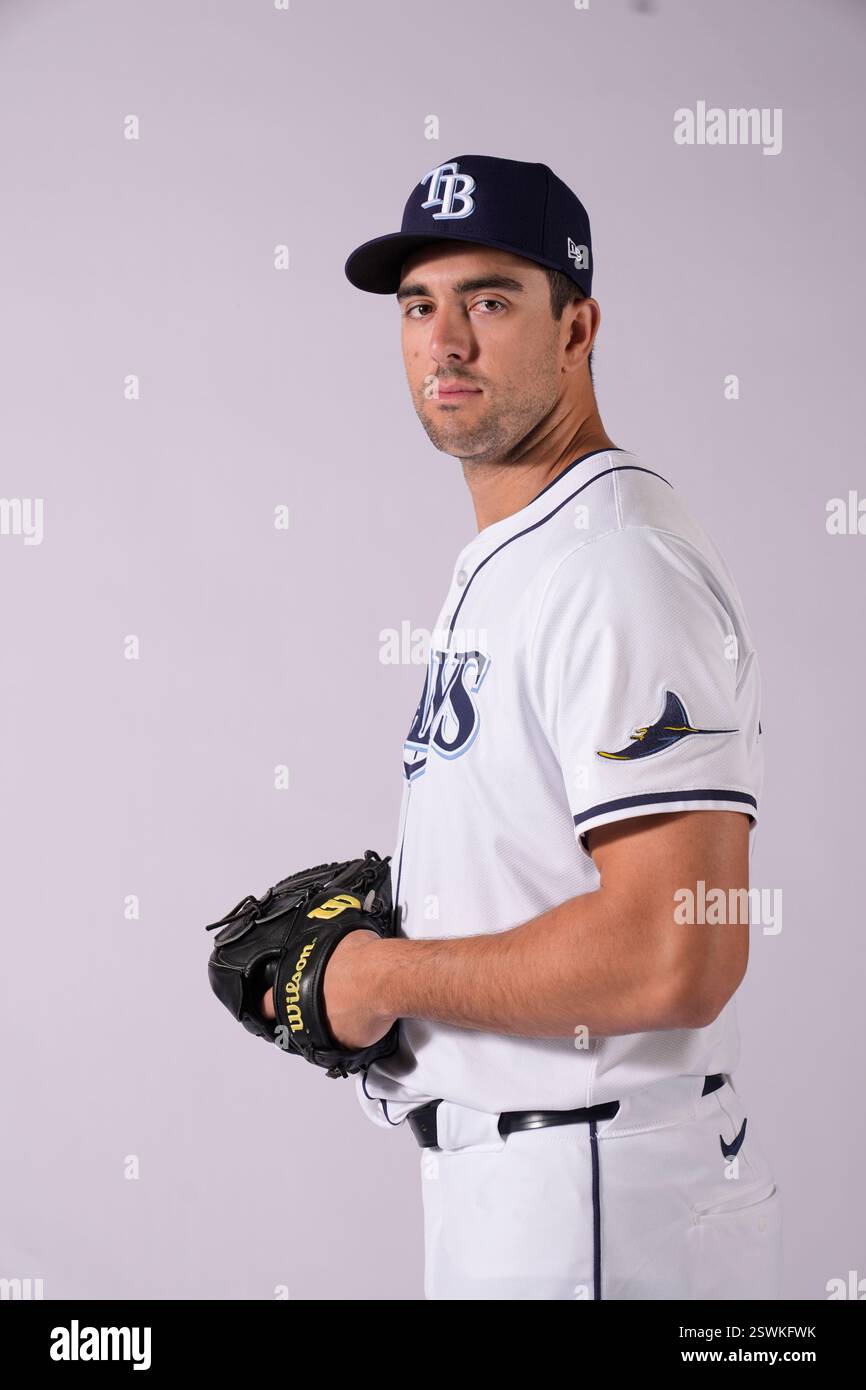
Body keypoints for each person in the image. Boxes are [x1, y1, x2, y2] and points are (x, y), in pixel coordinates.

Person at [277, 155, 782, 1300]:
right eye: (418, 305)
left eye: (489, 300)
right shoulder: (525, 550)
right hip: (531, 1183)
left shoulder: (613, 566)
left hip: (603, 1199)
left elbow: (679, 948)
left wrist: (381, 977)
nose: (443, 341)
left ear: (576, 325)